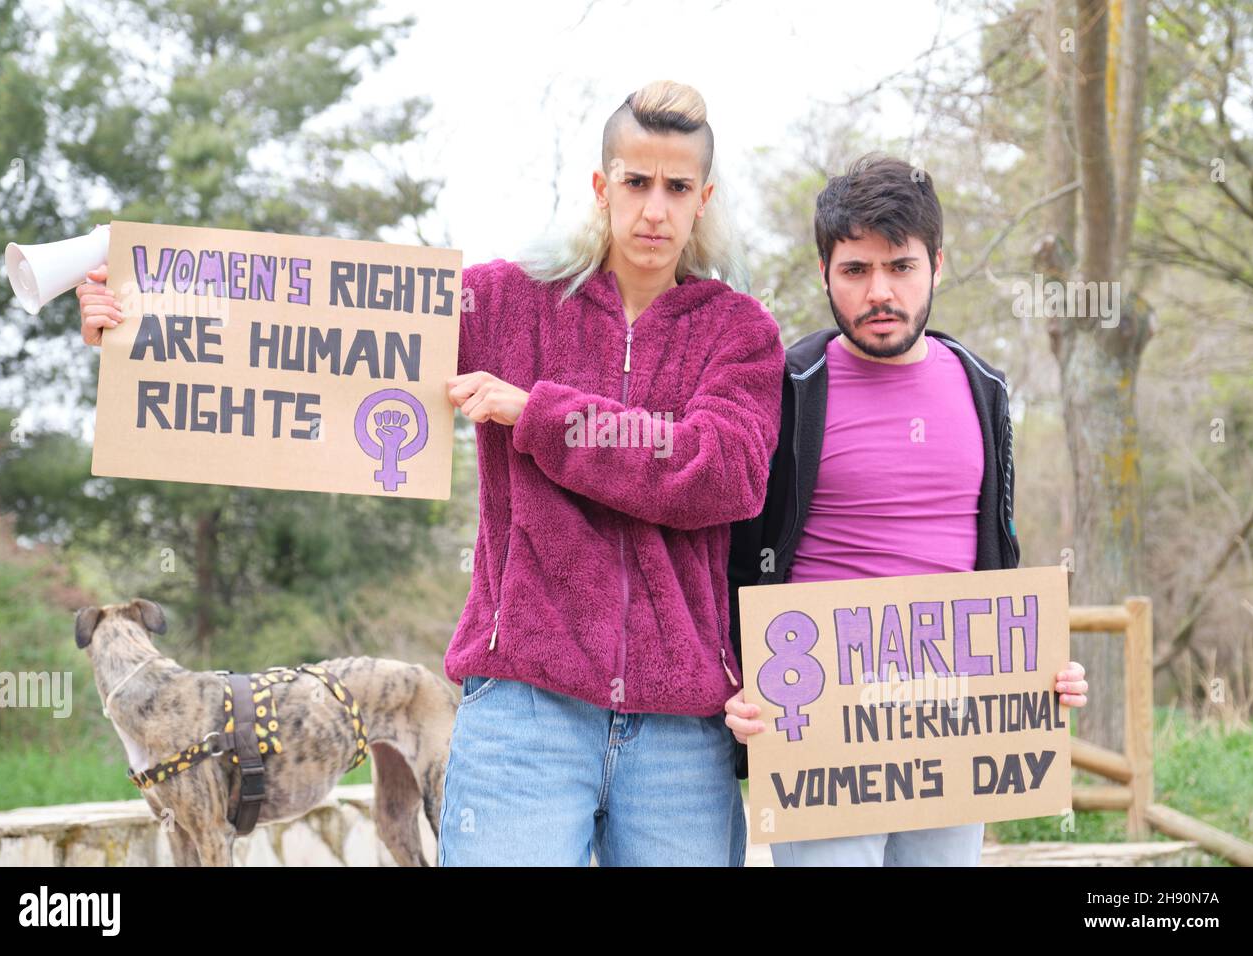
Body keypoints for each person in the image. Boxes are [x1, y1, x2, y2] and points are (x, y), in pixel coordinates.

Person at [76, 80, 785, 866]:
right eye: (636, 182)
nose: (655, 209)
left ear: (703, 197)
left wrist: (539, 415)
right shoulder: (505, 303)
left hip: (680, 736)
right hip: (523, 716)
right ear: (601, 185)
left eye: (677, 187)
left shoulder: (738, 331)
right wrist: (146, 316)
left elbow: (721, 472)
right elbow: (320, 328)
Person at [723, 153, 1088, 867]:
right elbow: (740, 551)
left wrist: (1037, 670)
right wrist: (734, 678)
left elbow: (995, 559)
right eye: (855, 270)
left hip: (953, 730)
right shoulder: (789, 385)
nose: (879, 291)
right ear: (826, 272)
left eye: (901, 266)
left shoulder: (985, 389)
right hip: (820, 737)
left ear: (938, 265)